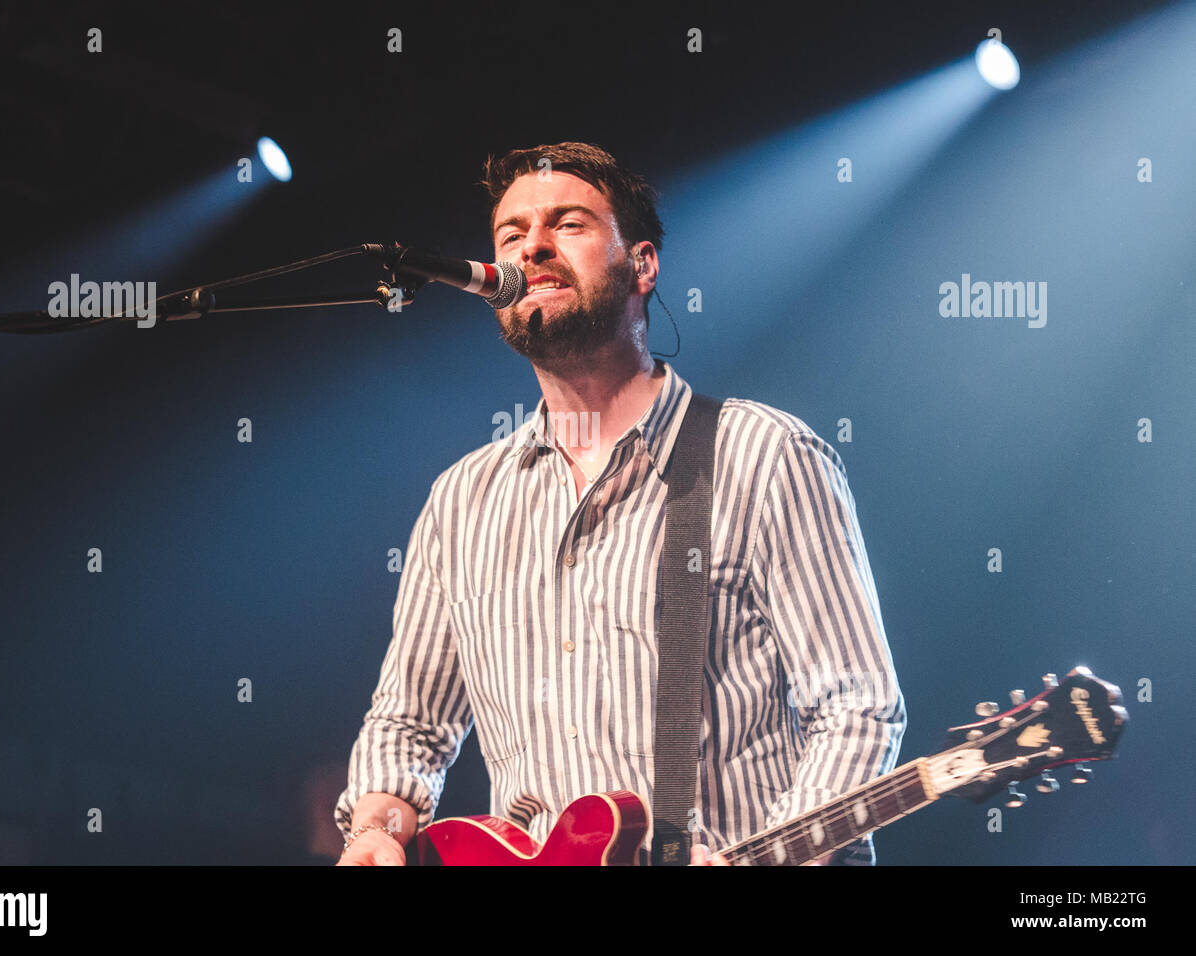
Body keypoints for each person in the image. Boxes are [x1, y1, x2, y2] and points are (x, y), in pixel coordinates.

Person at [335, 142, 906, 866]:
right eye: (511, 235)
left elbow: (857, 706)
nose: (532, 244)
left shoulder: (762, 455)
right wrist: (378, 827)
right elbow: (410, 722)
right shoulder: (462, 501)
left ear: (642, 264)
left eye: (566, 223)